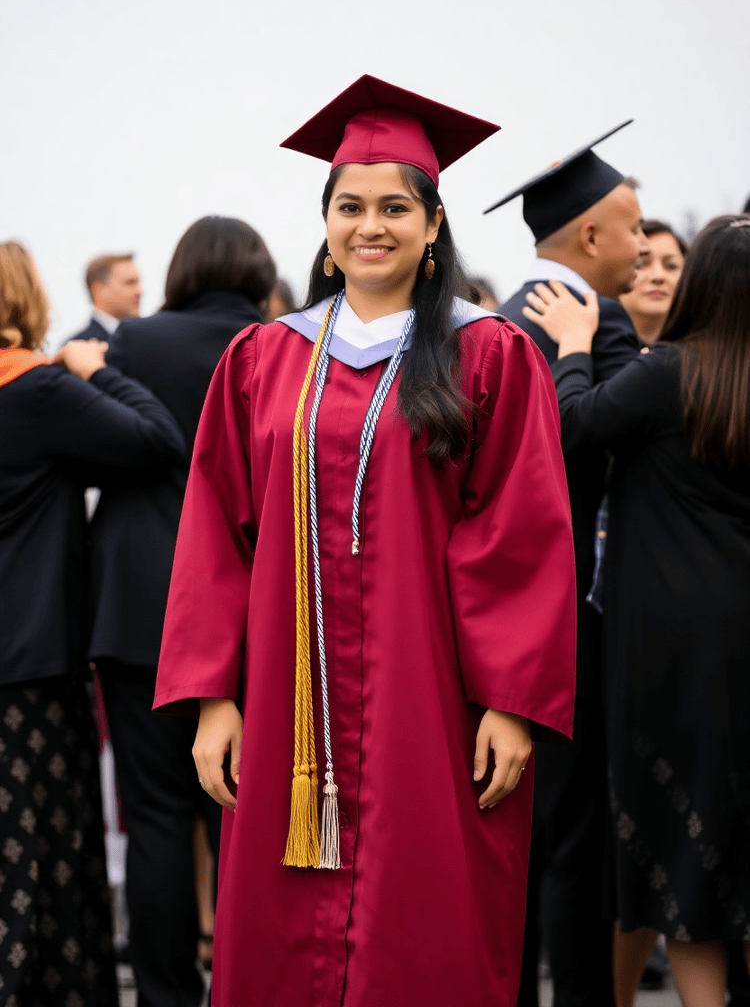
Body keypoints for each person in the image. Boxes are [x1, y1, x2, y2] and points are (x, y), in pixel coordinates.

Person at [153, 75, 577, 1007]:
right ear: (326, 222)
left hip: (431, 709)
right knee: (279, 939)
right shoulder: (263, 361)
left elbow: (520, 535)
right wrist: (212, 697)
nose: (370, 225)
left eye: (395, 207)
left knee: (427, 930)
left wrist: (509, 702)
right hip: (287, 708)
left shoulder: (490, 356)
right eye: (351, 207)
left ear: (433, 227)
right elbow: (217, 533)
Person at [522, 214, 750, 1007]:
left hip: (666, 644)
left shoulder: (669, 373)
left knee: (676, 842)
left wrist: (576, 345)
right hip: (740, 629)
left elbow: (574, 426)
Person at [89, 214, 276, 1007]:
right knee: (247, 815)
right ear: (259, 269)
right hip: (253, 608)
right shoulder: (280, 347)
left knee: (158, 815)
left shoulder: (135, 343)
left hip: (141, 609)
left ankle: (167, 994)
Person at [488, 124, 648, 1007]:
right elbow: (602, 430)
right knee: (575, 838)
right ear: (591, 236)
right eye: (634, 227)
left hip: (496, 612)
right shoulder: (594, 317)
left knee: (515, 831)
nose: (642, 244)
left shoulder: (497, 320)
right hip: (576, 617)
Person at [0, 241, 184, 1005]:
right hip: (30, 665)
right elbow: (155, 441)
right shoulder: (35, 390)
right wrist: (96, 370)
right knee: (42, 854)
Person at [619, 219, 688, 347]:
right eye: (640, 263)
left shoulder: (708, 355)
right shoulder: (584, 349)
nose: (658, 276)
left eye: (671, 266)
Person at [68, 252, 143, 341]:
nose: (140, 291)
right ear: (98, 290)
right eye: (129, 283)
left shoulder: (147, 338)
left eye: (138, 282)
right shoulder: (79, 346)